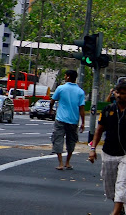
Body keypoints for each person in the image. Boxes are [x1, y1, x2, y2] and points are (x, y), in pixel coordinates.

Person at [89, 81, 126, 215]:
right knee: (110, 185)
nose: (119, 96)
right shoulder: (107, 110)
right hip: (109, 152)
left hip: (125, 154)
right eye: (117, 93)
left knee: (122, 183)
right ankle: (120, 207)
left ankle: (115, 212)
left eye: (123, 93)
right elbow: (99, 130)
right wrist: (93, 149)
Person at [49, 69, 86, 170]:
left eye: (65, 76)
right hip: (73, 120)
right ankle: (67, 162)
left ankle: (60, 163)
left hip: (60, 119)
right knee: (71, 141)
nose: (64, 77)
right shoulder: (80, 92)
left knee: (58, 139)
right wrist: (83, 122)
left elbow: (52, 101)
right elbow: (81, 108)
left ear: (68, 77)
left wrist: (51, 110)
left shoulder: (61, 88)